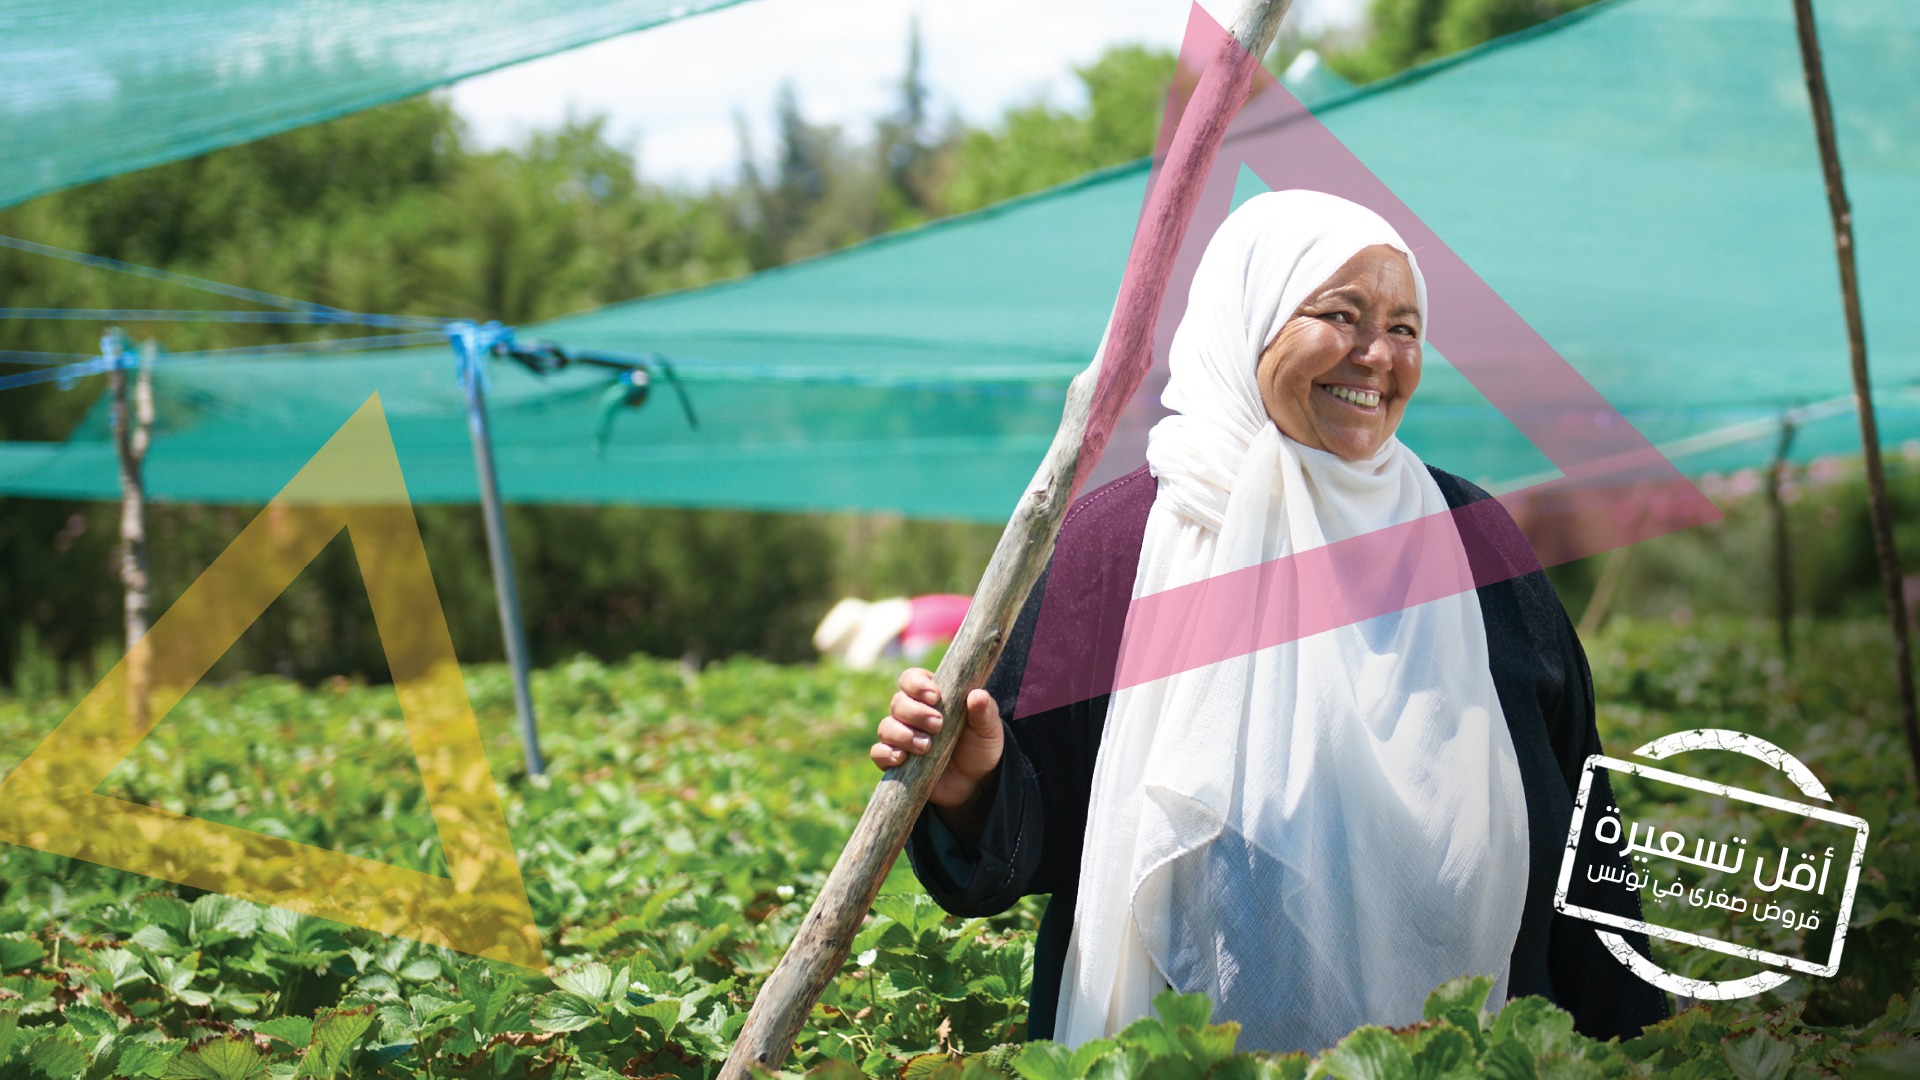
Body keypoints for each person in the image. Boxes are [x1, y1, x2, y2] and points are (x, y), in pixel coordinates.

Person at [868, 190, 1667, 1054]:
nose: (1377, 355)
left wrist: (1638, 1050)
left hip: (1465, 1057)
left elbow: (1588, 843)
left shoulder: (1474, 549)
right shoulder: (1125, 544)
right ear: (1246, 319)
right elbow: (1036, 838)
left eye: (1405, 327)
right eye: (1341, 315)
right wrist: (975, 787)